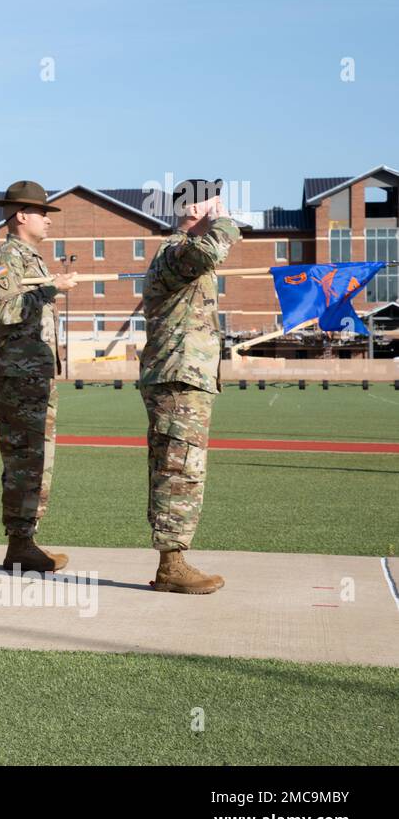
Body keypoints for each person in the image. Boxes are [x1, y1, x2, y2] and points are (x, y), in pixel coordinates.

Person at [139, 178, 239, 594]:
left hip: (186, 377)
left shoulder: (186, 253)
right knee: (179, 470)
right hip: (178, 377)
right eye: (215, 202)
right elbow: (212, 248)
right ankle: (172, 565)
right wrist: (224, 221)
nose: (222, 208)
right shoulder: (178, 250)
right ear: (197, 209)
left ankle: (174, 560)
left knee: (182, 468)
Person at [0, 180, 76, 573]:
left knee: (37, 458)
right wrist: (51, 289)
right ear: (21, 216)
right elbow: (7, 311)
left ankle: (26, 540)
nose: (48, 221)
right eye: (42, 213)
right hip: (18, 376)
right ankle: (19, 543)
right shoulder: (7, 257)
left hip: (34, 373)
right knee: (25, 459)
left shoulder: (30, 257)